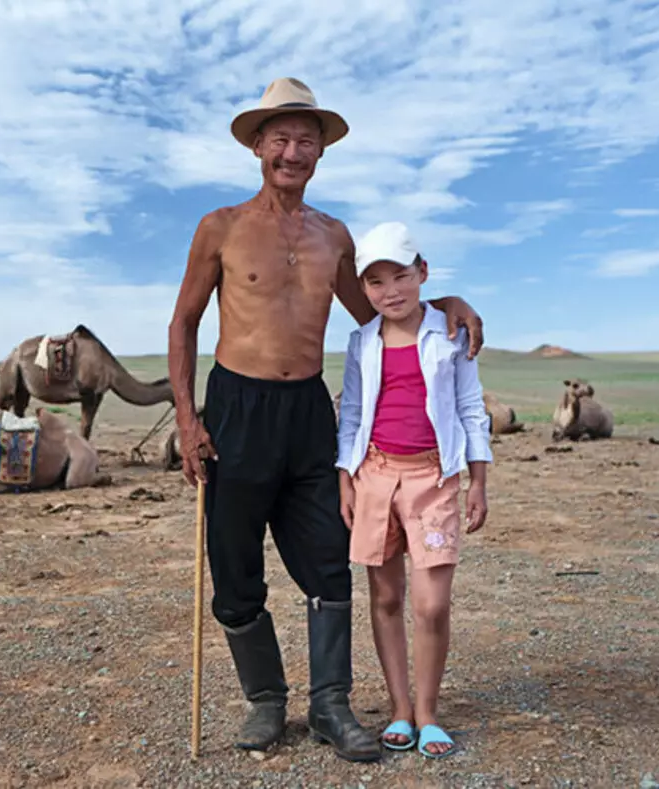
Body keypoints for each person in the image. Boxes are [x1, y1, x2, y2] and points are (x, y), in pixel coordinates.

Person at [166, 76, 485, 762]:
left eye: (305, 140)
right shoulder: (218, 228)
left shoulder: (333, 236)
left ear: (320, 153)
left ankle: (331, 704)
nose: (292, 150)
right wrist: (188, 418)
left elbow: (382, 315)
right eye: (279, 137)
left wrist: (445, 299)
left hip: (309, 410)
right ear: (257, 145)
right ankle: (265, 701)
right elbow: (184, 322)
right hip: (238, 408)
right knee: (234, 562)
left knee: (330, 560)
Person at [336, 220, 492, 759]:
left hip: (434, 478)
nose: (390, 291)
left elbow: (472, 409)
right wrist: (345, 478)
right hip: (375, 475)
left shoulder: (448, 336)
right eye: (375, 282)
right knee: (385, 596)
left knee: (431, 605)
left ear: (422, 273)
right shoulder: (361, 343)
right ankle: (400, 709)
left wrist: (478, 481)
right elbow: (352, 412)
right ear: (363, 288)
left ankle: (429, 712)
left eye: (400, 275)